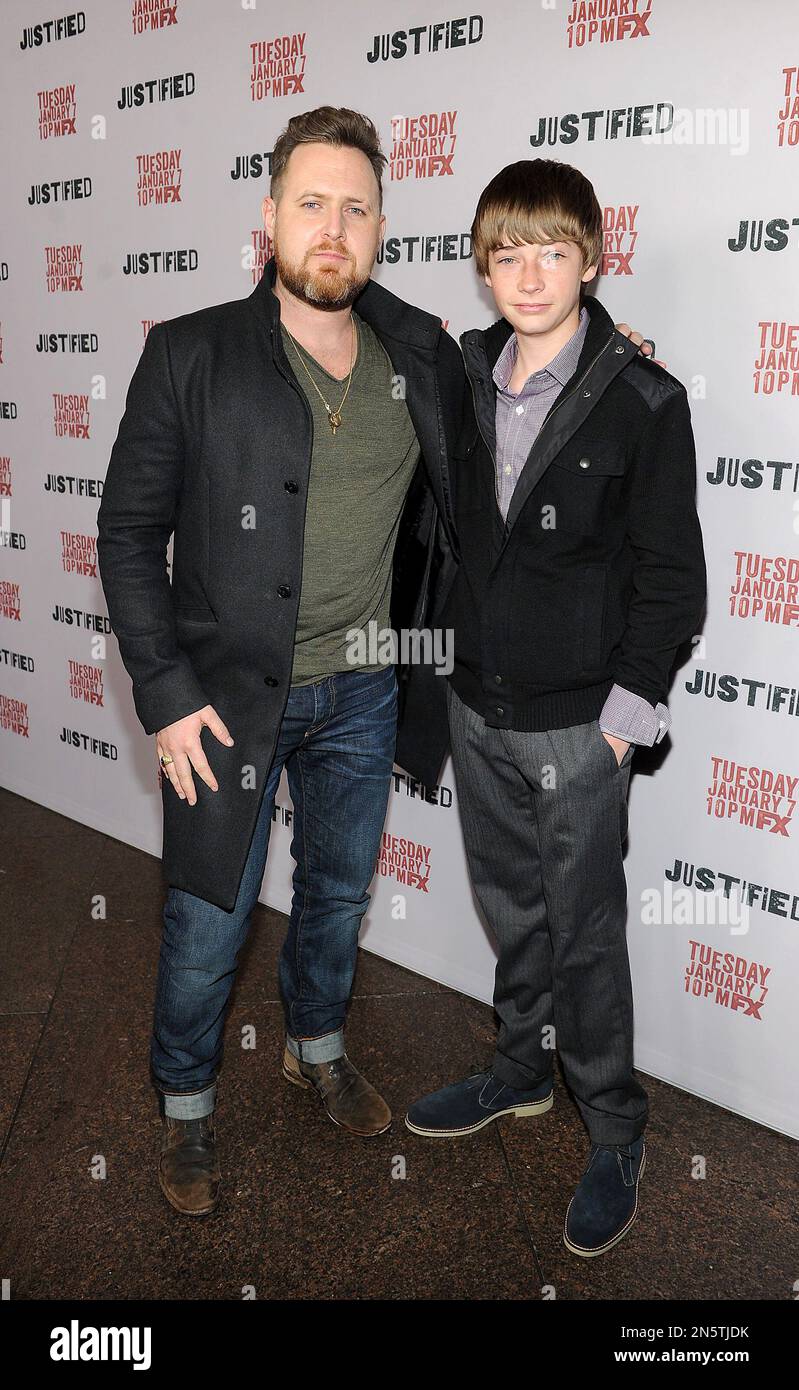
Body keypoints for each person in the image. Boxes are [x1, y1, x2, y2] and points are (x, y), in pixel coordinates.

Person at [97, 107, 654, 1219]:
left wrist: (623, 364)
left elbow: (537, 382)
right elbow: (124, 534)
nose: (332, 228)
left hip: (366, 684)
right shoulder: (190, 352)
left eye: (355, 208)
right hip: (222, 704)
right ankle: (188, 1105)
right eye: (311, 203)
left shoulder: (420, 356)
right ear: (268, 216)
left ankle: (317, 1046)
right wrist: (162, 696)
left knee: (337, 896)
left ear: (382, 227)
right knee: (209, 918)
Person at [404, 159, 707, 1259]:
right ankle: (518, 1073)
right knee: (511, 908)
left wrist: (625, 719)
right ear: (483, 265)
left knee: (583, 935)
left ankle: (615, 1125)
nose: (529, 273)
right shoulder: (458, 374)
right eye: (506, 251)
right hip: (475, 703)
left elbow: (672, 578)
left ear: (591, 258)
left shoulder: (641, 398)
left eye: (552, 250)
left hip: (583, 723)